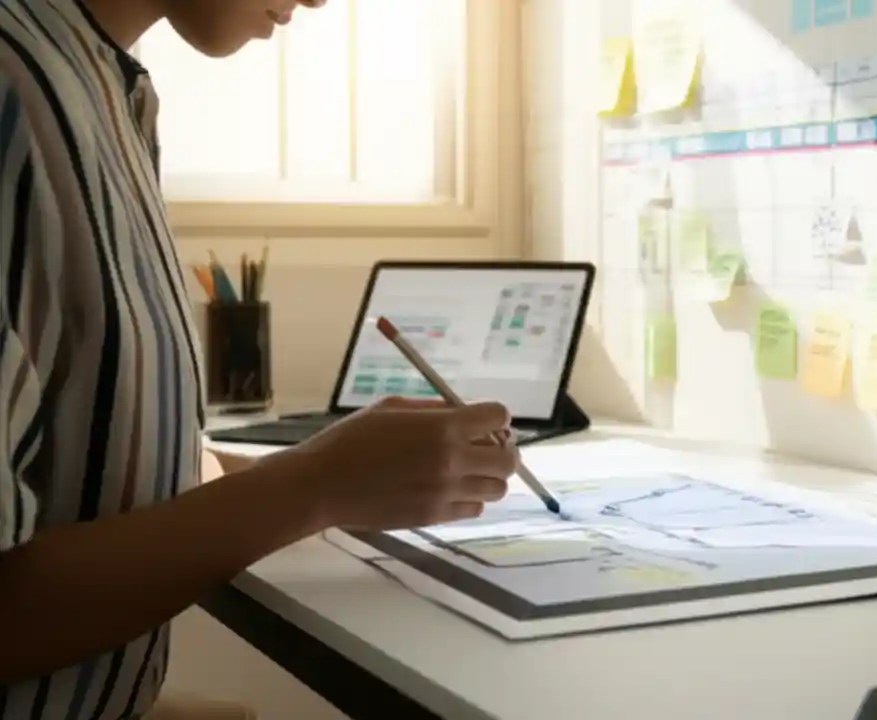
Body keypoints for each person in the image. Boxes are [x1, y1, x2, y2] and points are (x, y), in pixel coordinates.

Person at [0, 0, 520, 717]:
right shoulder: (12, 87)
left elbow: (75, 455)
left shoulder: (106, 87)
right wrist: (314, 486)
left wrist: (320, 478)